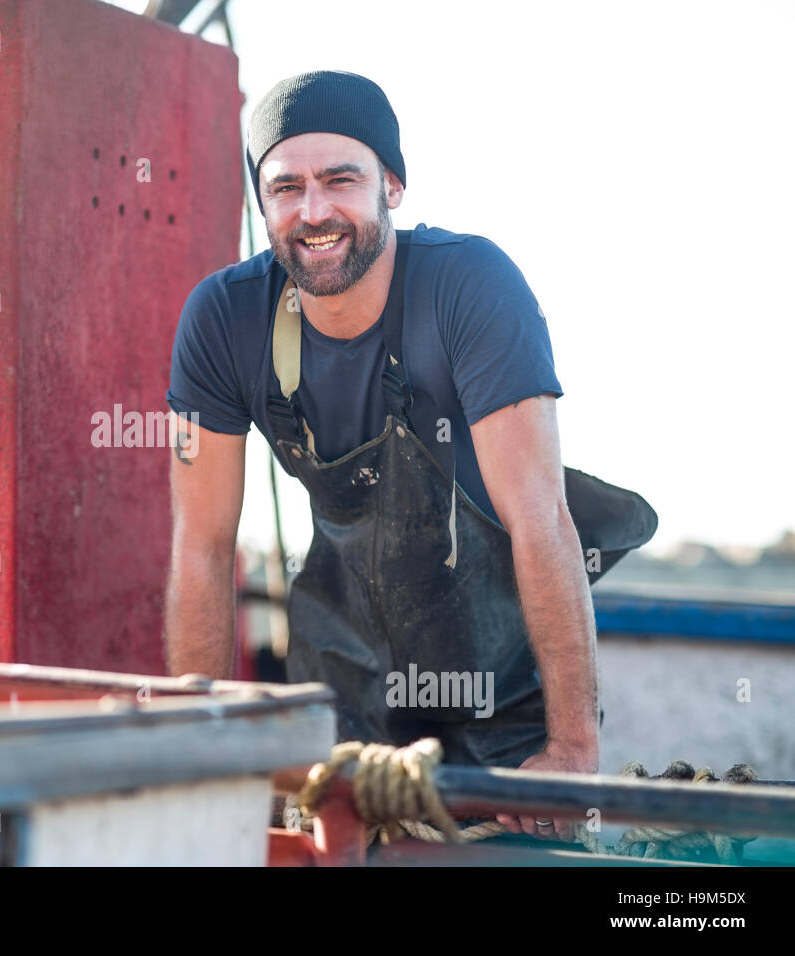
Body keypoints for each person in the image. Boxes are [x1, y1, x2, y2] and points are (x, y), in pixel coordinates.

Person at [163, 71, 656, 841]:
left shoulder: (470, 287)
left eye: (341, 180)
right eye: (285, 187)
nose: (314, 210)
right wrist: (199, 748)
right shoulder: (222, 321)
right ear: (261, 204)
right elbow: (202, 545)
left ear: (391, 184)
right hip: (341, 715)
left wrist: (570, 748)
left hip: (503, 721)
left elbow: (540, 519)